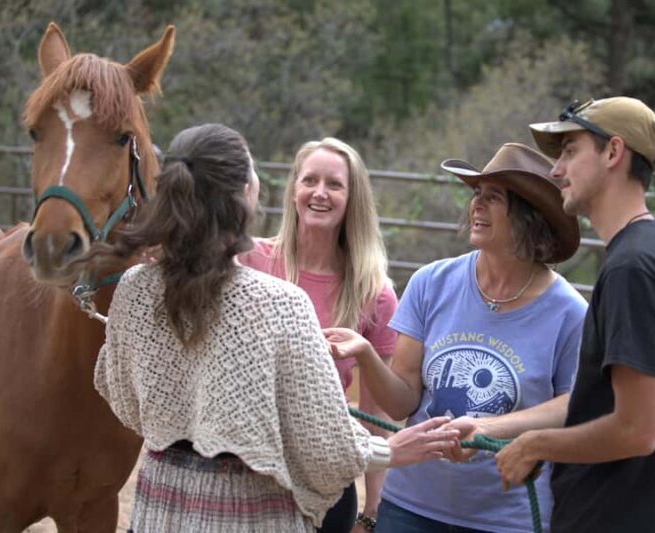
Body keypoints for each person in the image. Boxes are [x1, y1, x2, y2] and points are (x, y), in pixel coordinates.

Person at [90, 124, 460, 532]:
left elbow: (119, 393)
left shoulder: (134, 289)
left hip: (161, 500)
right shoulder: (281, 304)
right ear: (246, 194)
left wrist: (182, 426)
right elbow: (325, 450)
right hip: (249, 509)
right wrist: (394, 450)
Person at [325, 142, 587, 532]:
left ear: (529, 216)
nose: (477, 206)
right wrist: (365, 354)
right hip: (410, 506)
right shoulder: (432, 283)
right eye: (477, 195)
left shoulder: (569, 311)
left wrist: (486, 429)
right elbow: (402, 402)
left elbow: (573, 405)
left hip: (505, 517)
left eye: (494, 197)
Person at [484, 97, 655, 532]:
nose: (556, 170)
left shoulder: (633, 268)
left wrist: (536, 444)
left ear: (612, 152)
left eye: (569, 152)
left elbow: (637, 430)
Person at [240, 137, 397, 533]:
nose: (320, 193)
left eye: (334, 184)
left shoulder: (373, 292)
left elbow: (376, 413)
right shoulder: (247, 260)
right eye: (310, 180)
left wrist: (373, 509)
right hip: (243, 474)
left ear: (352, 198)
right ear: (294, 190)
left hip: (325, 481)